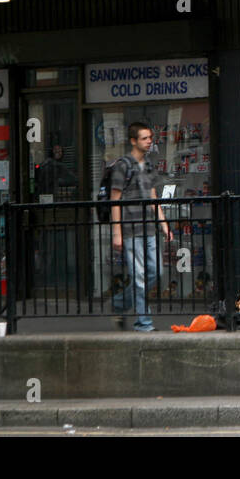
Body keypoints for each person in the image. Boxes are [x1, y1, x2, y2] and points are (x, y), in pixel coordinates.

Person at [110, 121, 173, 332]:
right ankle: (144, 323)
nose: (149, 142)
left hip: (148, 228)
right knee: (138, 276)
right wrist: (117, 232)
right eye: (144, 138)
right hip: (131, 228)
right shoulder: (123, 165)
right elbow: (115, 200)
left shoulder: (149, 165)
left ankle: (119, 303)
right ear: (133, 141)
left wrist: (163, 224)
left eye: (150, 138)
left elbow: (154, 196)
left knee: (156, 272)